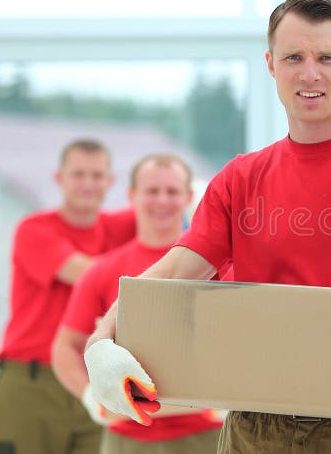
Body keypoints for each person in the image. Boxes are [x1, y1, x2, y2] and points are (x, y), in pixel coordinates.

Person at [82, 0, 331, 454]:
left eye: (326, 58)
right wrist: (102, 341)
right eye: (294, 57)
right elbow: (168, 277)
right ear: (271, 64)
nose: (310, 74)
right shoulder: (241, 179)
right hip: (254, 429)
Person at [51, 154, 223, 454]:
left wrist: (234, 400)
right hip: (126, 439)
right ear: (131, 195)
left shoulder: (218, 267)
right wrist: (90, 396)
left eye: (172, 191)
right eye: (152, 191)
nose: (162, 200)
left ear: (189, 197)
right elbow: (65, 346)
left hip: (207, 435)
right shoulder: (102, 271)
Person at [0, 139, 135, 454]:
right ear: (59, 178)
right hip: (32, 384)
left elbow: (163, 207)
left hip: (92, 379)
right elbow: (85, 274)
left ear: (110, 181)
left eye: (97, 175)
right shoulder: (35, 229)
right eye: (78, 174)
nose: (88, 183)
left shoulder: (117, 226)